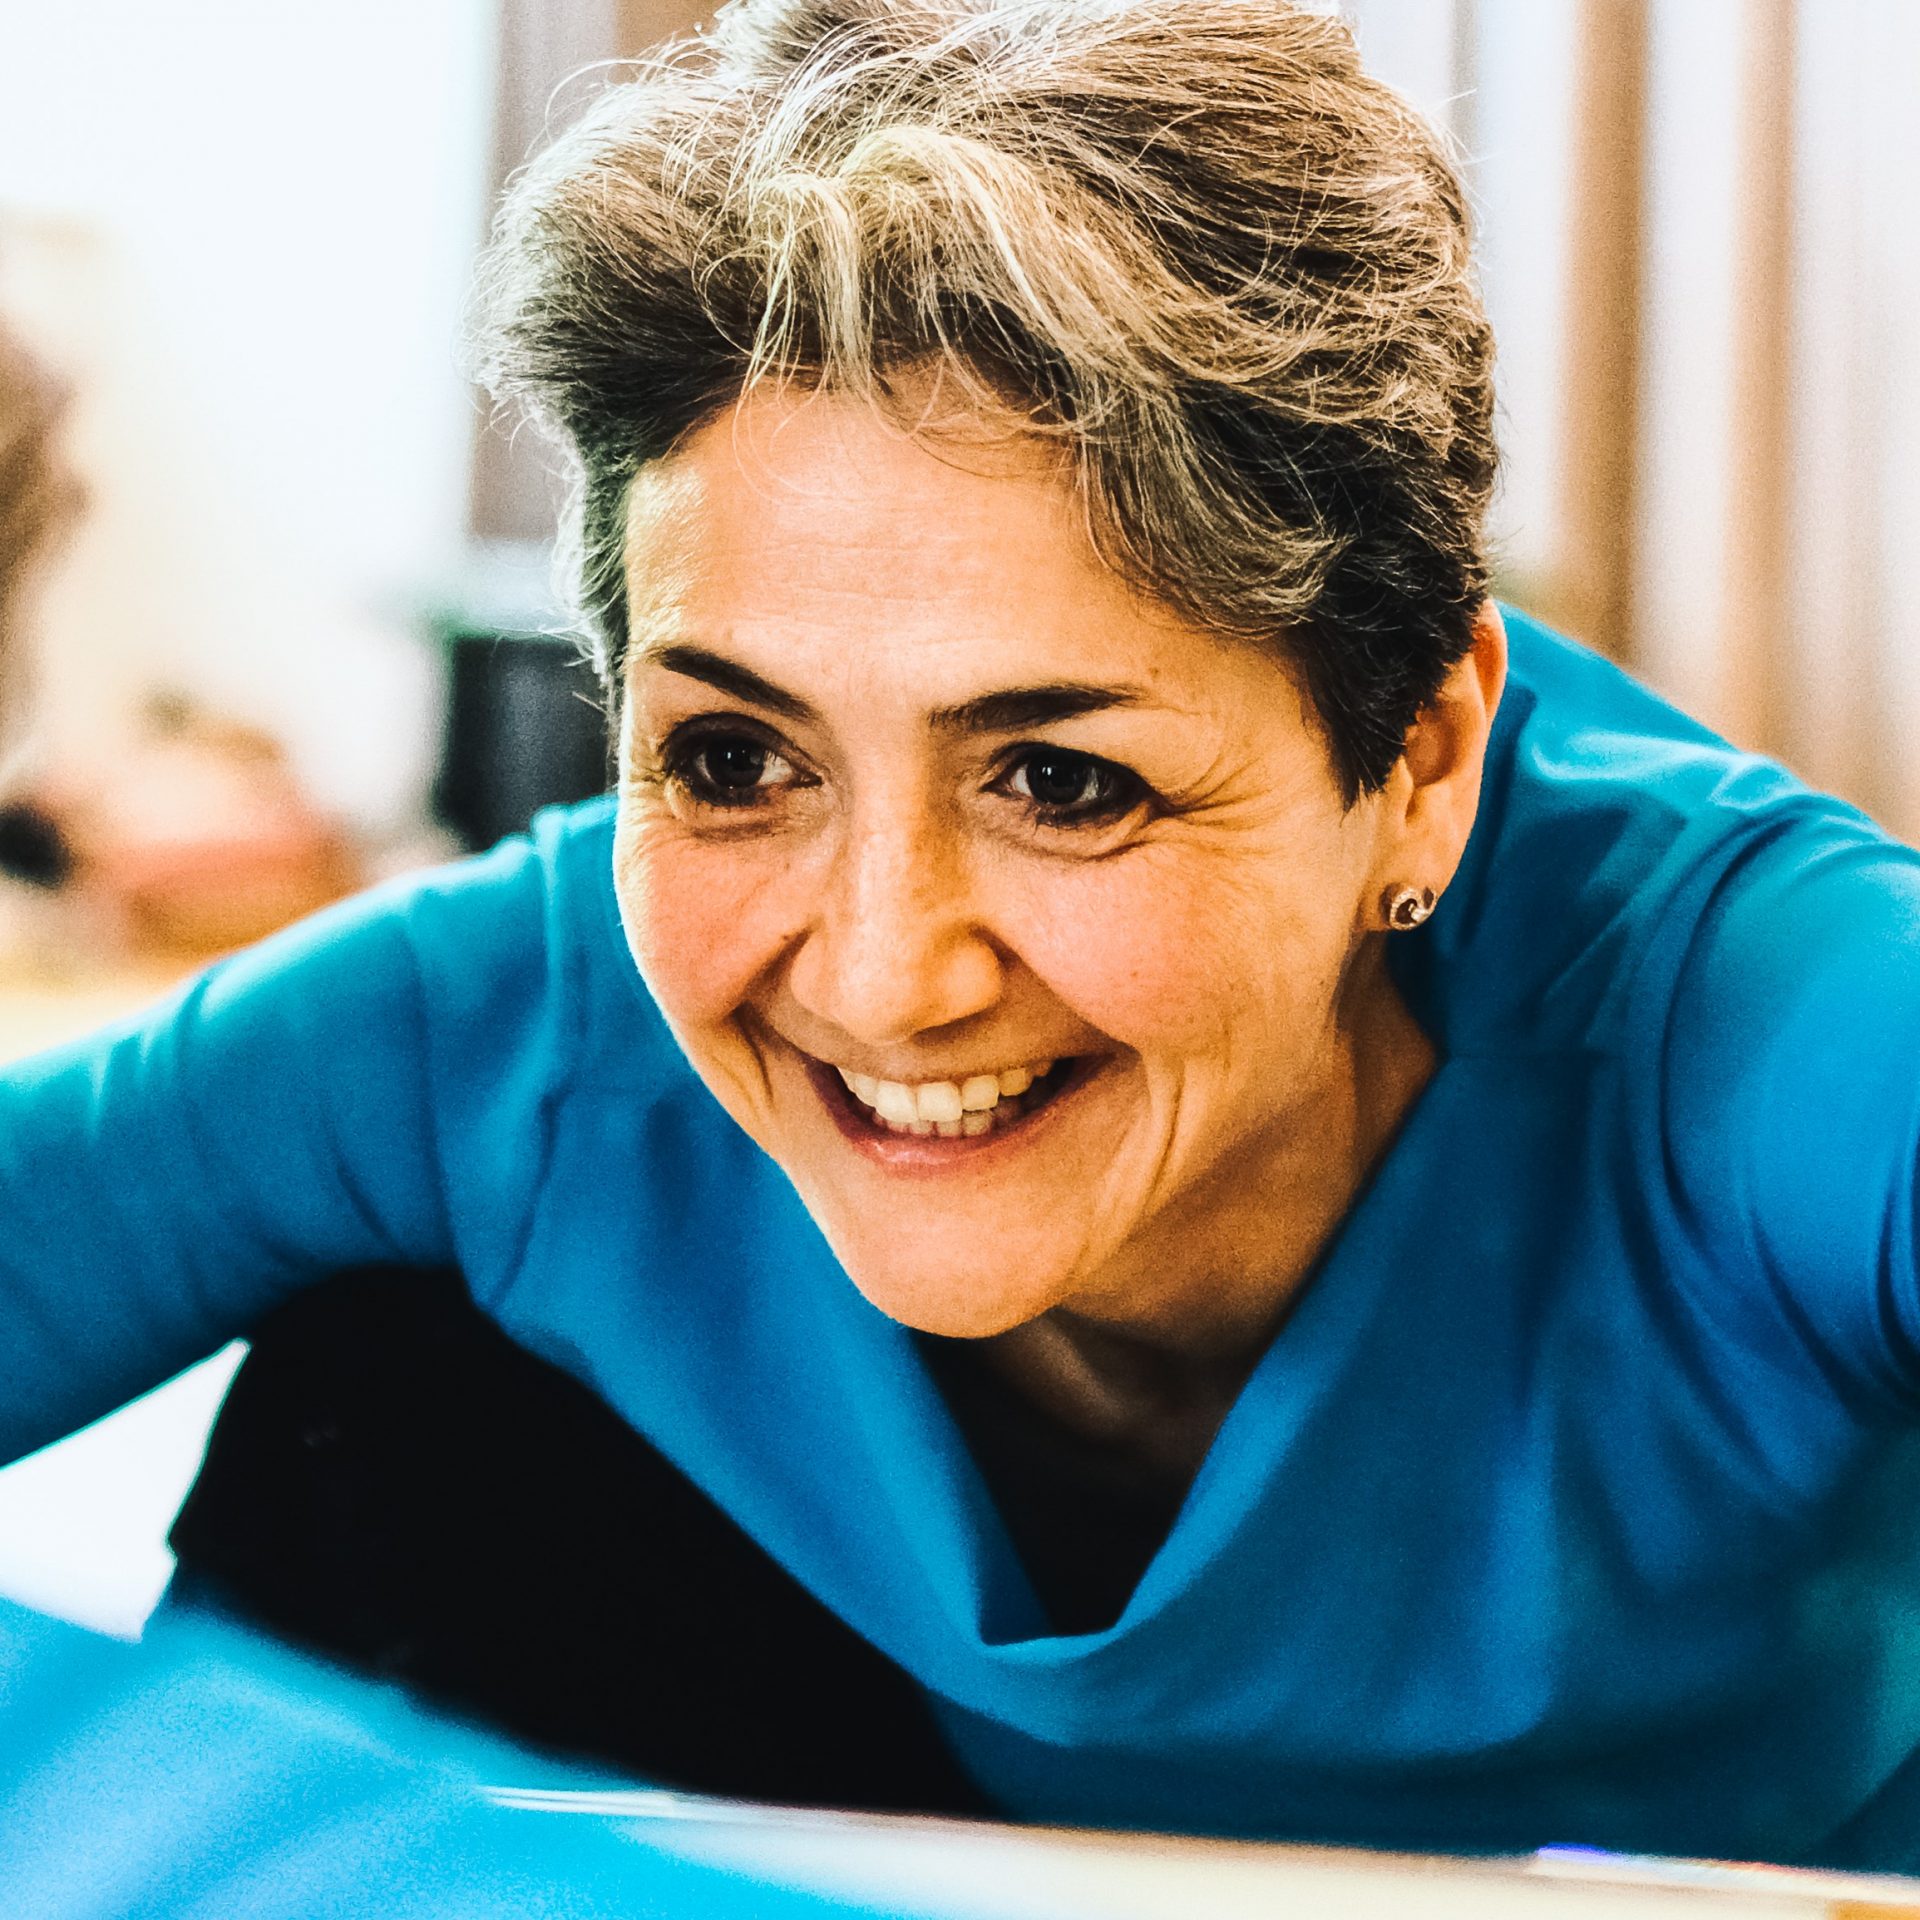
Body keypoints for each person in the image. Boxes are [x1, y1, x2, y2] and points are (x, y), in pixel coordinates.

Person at [6, 0, 1920, 1874]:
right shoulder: (532, 1012)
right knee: (399, 1381)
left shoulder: (1763, 1027)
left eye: (1065, 784)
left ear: (1419, 755)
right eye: (737, 757)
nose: (879, 975)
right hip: (873, 1822)